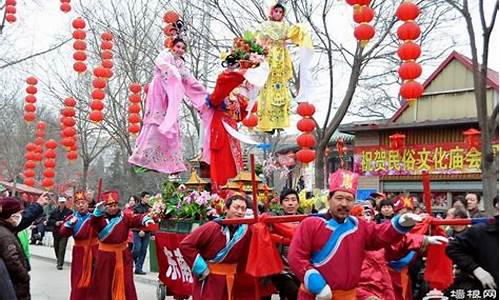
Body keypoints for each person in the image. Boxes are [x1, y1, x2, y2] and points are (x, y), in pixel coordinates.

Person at [287, 169, 422, 300]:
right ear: (329, 199)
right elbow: (296, 257)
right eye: (339, 198)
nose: (344, 204)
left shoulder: (358, 225)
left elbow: (379, 235)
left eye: (349, 199)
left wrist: (399, 225)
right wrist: (317, 284)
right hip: (316, 296)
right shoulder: (311, 224)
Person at [128, 35, 207, 175]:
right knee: (155, 122)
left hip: (170, 95)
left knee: (170, 124)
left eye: (183, 48)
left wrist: (204, 94)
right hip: (159, 92)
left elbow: (189, 79)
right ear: (172, 46)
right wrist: (172, 70)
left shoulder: (181, 64)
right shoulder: (165, 55)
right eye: (178, 47)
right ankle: (143, 157)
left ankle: (167, 162)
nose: (180, 50)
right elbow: (160, 62)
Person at [200, 54, 269, 188]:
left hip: (232, 129)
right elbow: (216, 97)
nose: (233, 67)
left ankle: (236, 191)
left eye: (236, 65)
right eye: (231, 64)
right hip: (220, 128)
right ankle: (221, 194)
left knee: (235, 162)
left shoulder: (238, 94)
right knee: (222, 163)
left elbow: (241, 115)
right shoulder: (222, 83)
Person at [179, 194, 264, 299]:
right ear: (226, 209)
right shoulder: (212, 227)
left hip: (233, 279)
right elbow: (186, 245)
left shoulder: (246, 230)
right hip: (211, 279)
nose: (240, 212)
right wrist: (201, 268)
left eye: (243, 209)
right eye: (236, 207)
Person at [255, 1, 313, 131]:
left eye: (281, 12)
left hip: (281, 60)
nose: (278, 14)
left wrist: (302, 29)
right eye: (276, 11)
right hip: (270, 58)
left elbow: (295, 33)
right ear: (271, 12)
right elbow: (259, 40)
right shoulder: (265, 26)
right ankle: (267, 122)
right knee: (267, 88)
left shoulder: (286, 27)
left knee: (281, 89)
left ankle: (279, 122)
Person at [86, 191, 154, 300]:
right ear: (105, 207)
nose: (113, 208)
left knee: (126, 283)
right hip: (105, 257)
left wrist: (145, 219)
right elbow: (94, 223)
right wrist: (97, 212)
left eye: (115, 205)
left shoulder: (124, 217)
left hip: (123, 256)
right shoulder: (100, 219)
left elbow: (135, 219)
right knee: (104, 284)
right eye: (110, 206)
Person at [446, 197, 498, 295]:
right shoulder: (481, 230)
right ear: (497, 205)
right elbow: (452, 248)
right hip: (487, 290)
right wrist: (476, 269)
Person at [59, 191, 98, 300]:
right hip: (79, 253)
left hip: (94, 251)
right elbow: (63, 232)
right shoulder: (71, 218)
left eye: (83, 202)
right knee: (78, 278)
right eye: (78, 203)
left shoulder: (94, 217)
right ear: (75, 205)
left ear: (88, 204)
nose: (81, 205)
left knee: (96, 279)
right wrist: (70, 224)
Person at [268, 188, 301, 300]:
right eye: (286, 200)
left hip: (301, 268)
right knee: (294, 293)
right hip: (281, 269)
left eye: (293, 199)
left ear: (298, 203)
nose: (290, 203)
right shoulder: (275, 219)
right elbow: (266, 217)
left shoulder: (305, 220)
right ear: (281, 204)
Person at [0, 197, 30, 300]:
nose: (20, 216)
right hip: (14, 285)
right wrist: (24, 276)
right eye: (19, 213)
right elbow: (12, 260)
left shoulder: (7, 229)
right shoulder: (5, 235)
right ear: (10, 215)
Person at [48, 196, 72, 270]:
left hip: (64, 232)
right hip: (56, 232)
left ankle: (60, 264)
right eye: (61, 202)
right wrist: (55, 223)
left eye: (63, 202)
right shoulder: (54, 211)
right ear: (58, 203)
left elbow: (71, 220)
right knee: (56, 248)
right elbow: (49, 220)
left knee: (62, 248)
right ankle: (59, 259)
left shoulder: (69, 211)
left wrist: (63, 222)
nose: (62, 204)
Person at [132, 191, 152, 275]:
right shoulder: (136, 208)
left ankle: (138, 268)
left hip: (147, 232)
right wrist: (140, 230)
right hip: (137, 231)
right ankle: (130, 259)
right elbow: (135, 220)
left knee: (143, 250)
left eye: (148, 197)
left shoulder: (150, 208)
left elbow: (152, 221)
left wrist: (151, 232)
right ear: (142, 198)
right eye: (146, 197)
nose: (148, 199)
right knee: (137, 249)